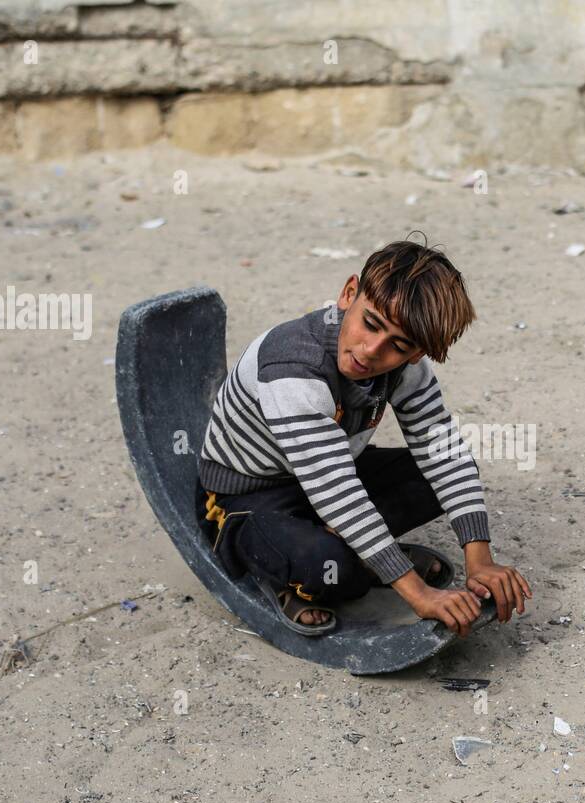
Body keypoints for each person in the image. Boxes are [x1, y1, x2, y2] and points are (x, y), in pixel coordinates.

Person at [195, 237, 532, 637]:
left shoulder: (406, 368)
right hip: (248, 497)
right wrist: (418, 593)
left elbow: (444, 452)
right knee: (325, 565)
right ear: (348, 293)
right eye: (370, 323)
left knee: (435, 474)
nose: (372, 350)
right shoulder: (293, 366)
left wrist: (481, 560)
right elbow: (337, 492)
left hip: (327, 476)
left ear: (416, 354)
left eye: (399, 346)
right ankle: (319, 573)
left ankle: (368, 555)